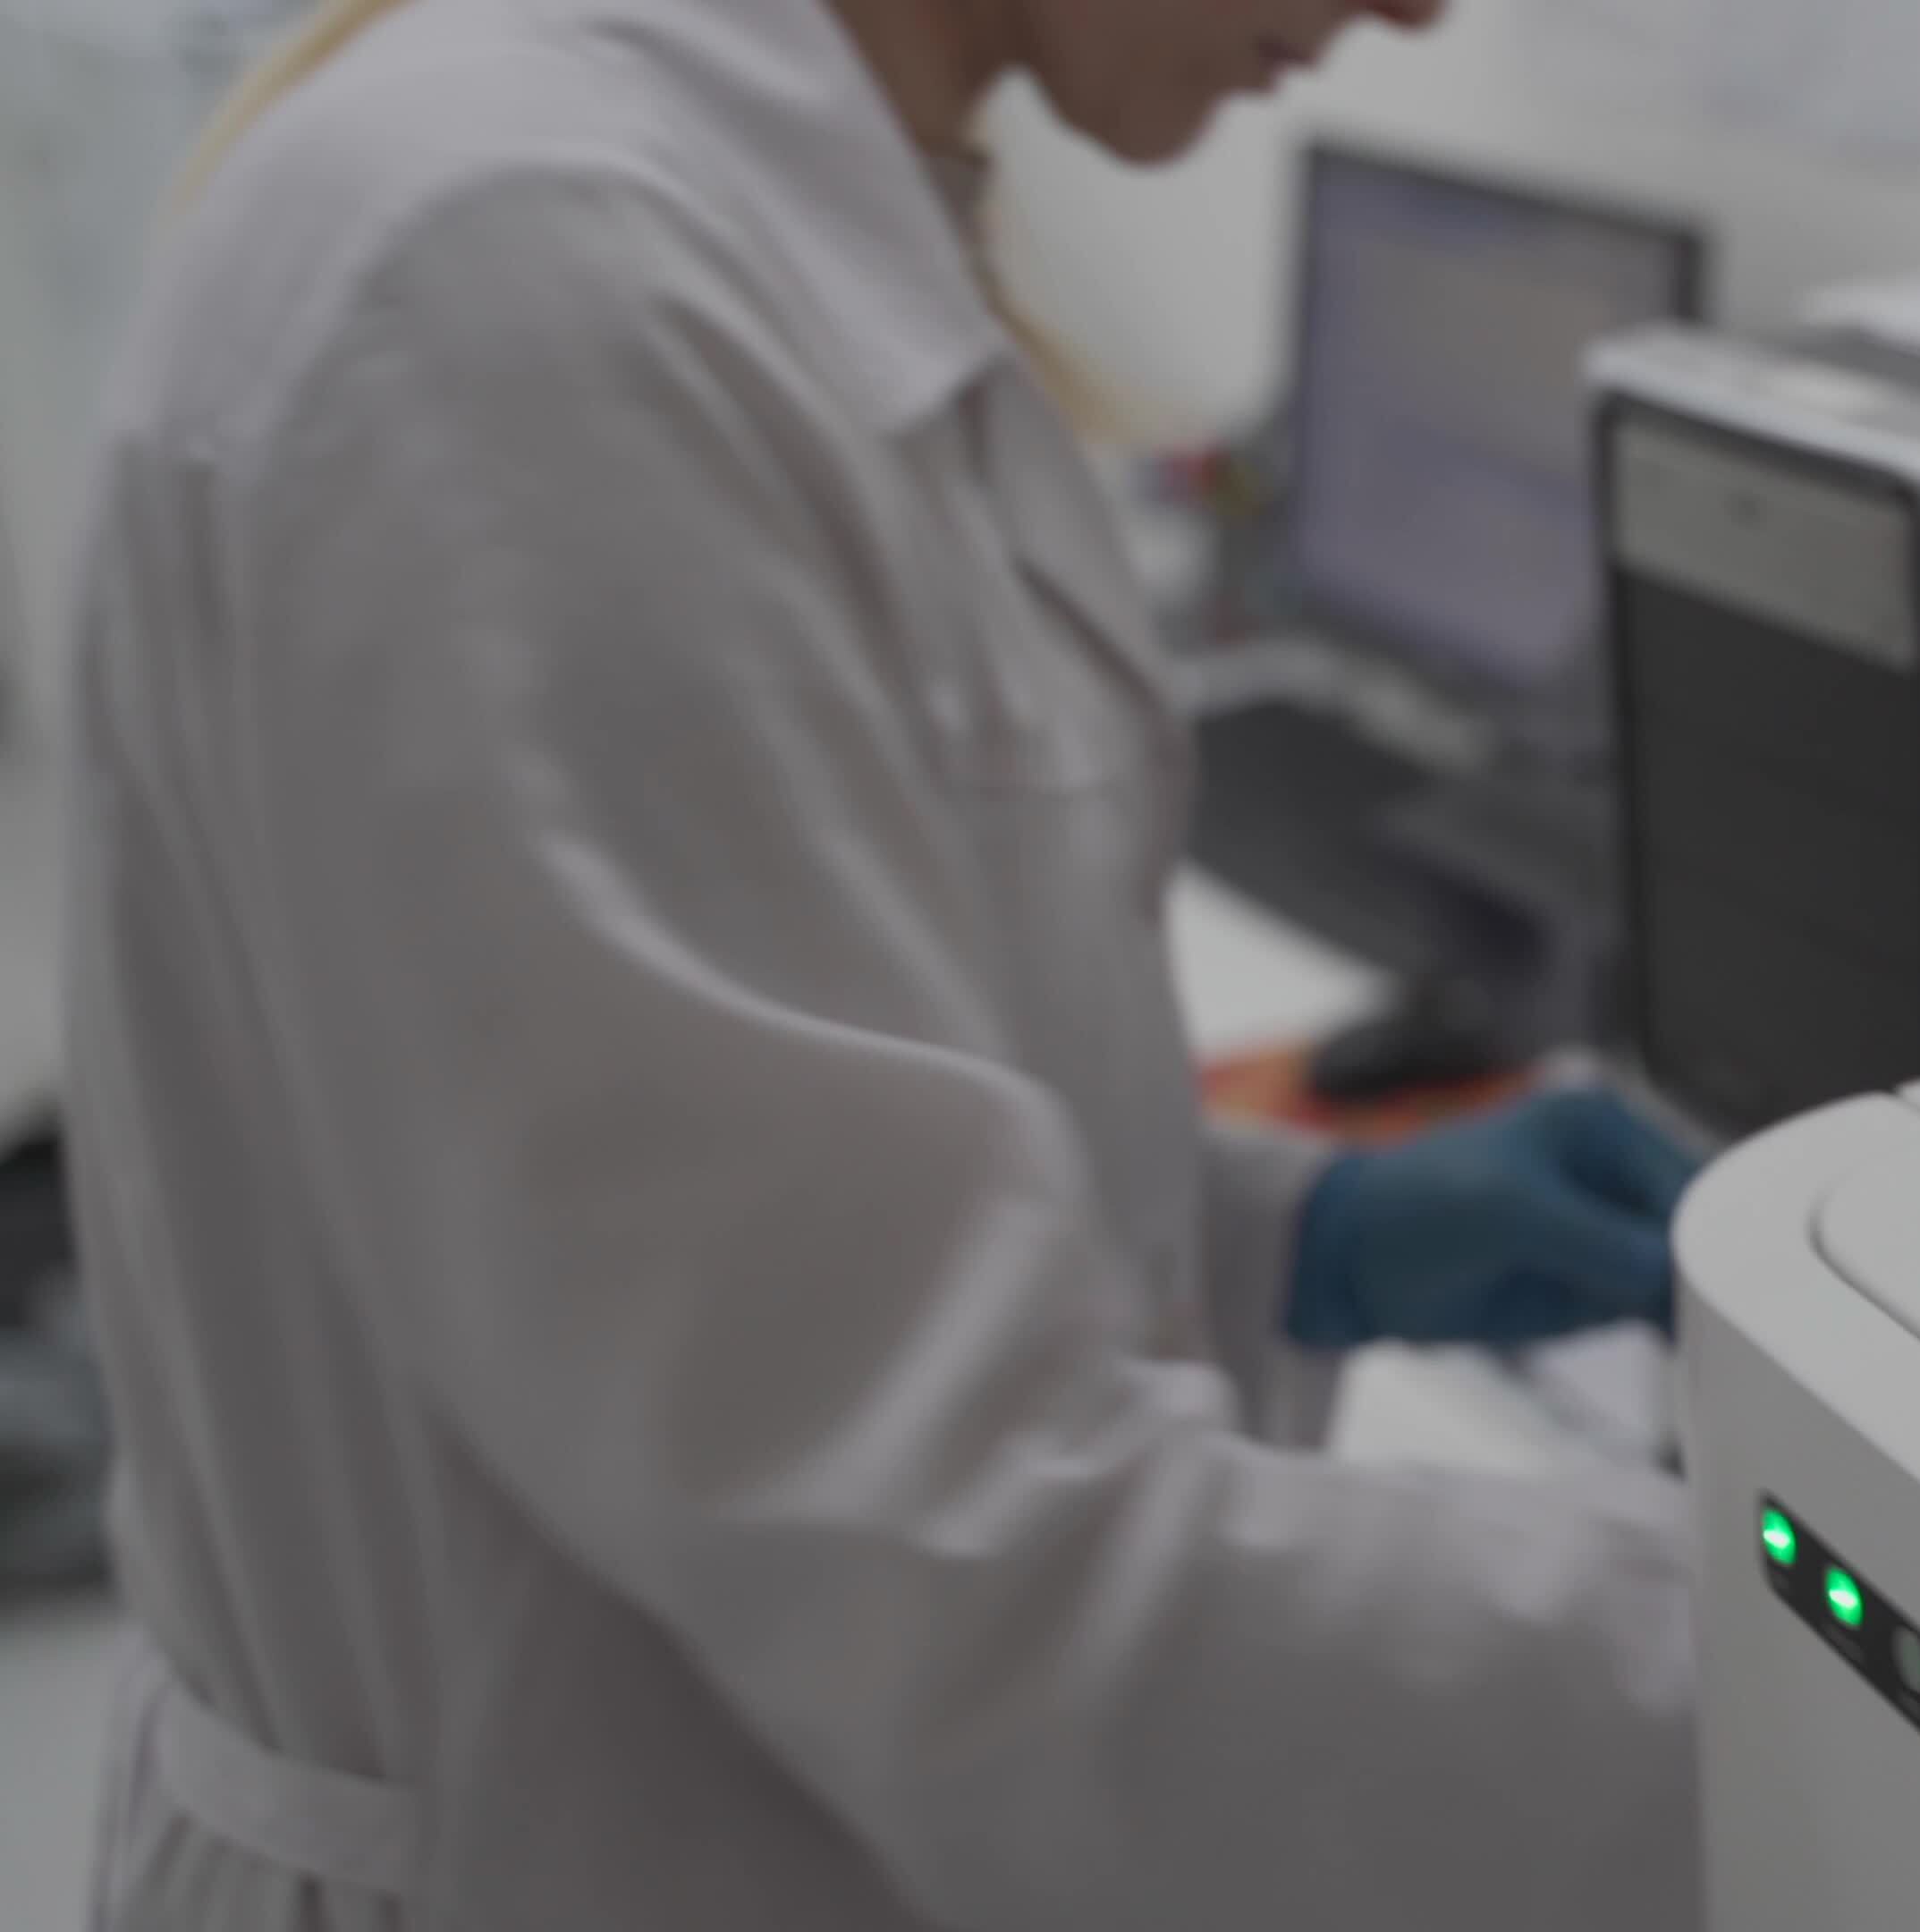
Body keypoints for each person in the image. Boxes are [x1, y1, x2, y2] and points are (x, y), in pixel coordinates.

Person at [61, 0, 1709, 1925]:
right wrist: (1867, 1680)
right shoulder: (527, 275)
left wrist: (1286, 1242)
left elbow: (712, 1203)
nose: (1421, 9)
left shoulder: (731, 204)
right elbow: (964, 1569)